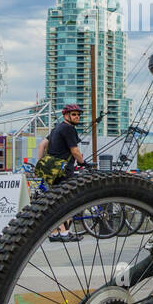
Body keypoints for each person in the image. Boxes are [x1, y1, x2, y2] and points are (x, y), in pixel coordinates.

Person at [37, 103, 88, 241]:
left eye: (78, 114)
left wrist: (41, 163)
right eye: (73, 114)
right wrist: (83, 163)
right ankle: (65, 233)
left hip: (52, 170)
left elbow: (42, 145)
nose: (77, 117)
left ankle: (54, 233)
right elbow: (75, 151)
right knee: (68, 200)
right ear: (66, 115)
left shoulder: (56, 128)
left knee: (55, 201)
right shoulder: (68, 128)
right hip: (64, 170)